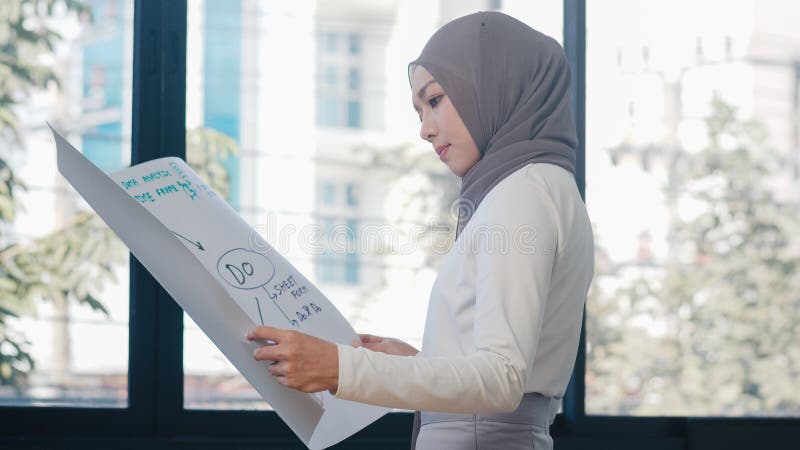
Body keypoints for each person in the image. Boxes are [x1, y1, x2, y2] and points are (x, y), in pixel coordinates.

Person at [245, 11, 594, 449]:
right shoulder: (545, 187)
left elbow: (502, 379)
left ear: (492, 83)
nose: (426, 130)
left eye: (435, 100)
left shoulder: (521, 193)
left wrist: (339, 367)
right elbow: (512, 375)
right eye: (419, 111)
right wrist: (418, 361)